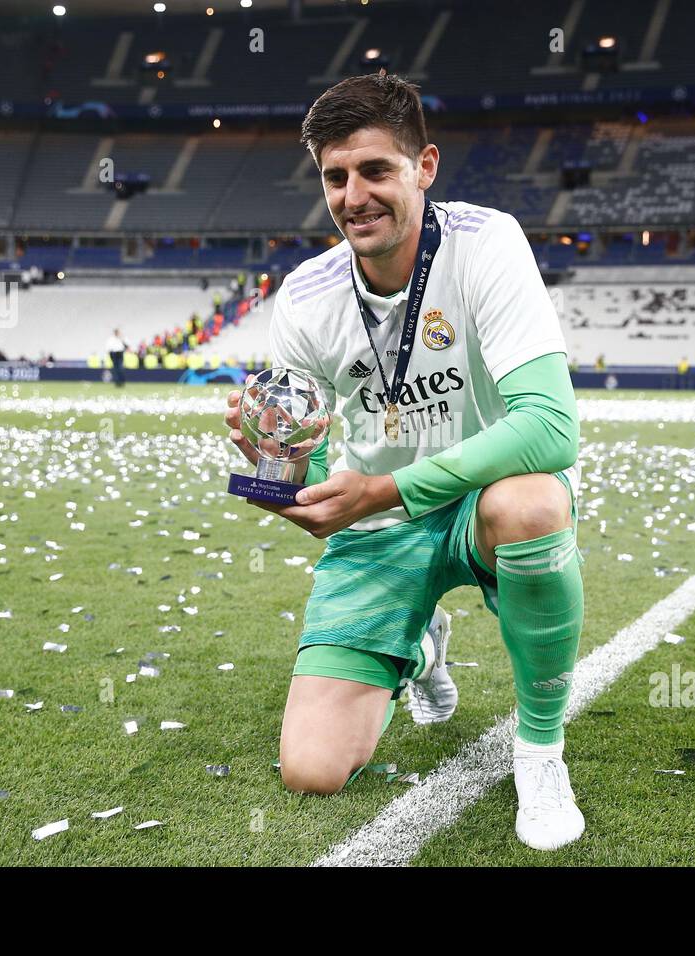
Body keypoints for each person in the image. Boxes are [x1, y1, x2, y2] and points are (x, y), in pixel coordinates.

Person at [223, 73, 586, 850]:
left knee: (532, 505)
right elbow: (313, 470)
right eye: (335, 176)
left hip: (484, 501)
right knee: (311, 770)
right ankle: (416, 645)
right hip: (380, 525)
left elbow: (551, 428)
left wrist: (386, 484)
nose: (355, 195)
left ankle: (541, 748)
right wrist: (274, 472)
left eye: (375, 170)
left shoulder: (488, 244)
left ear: (424, 165)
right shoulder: (304, 296)